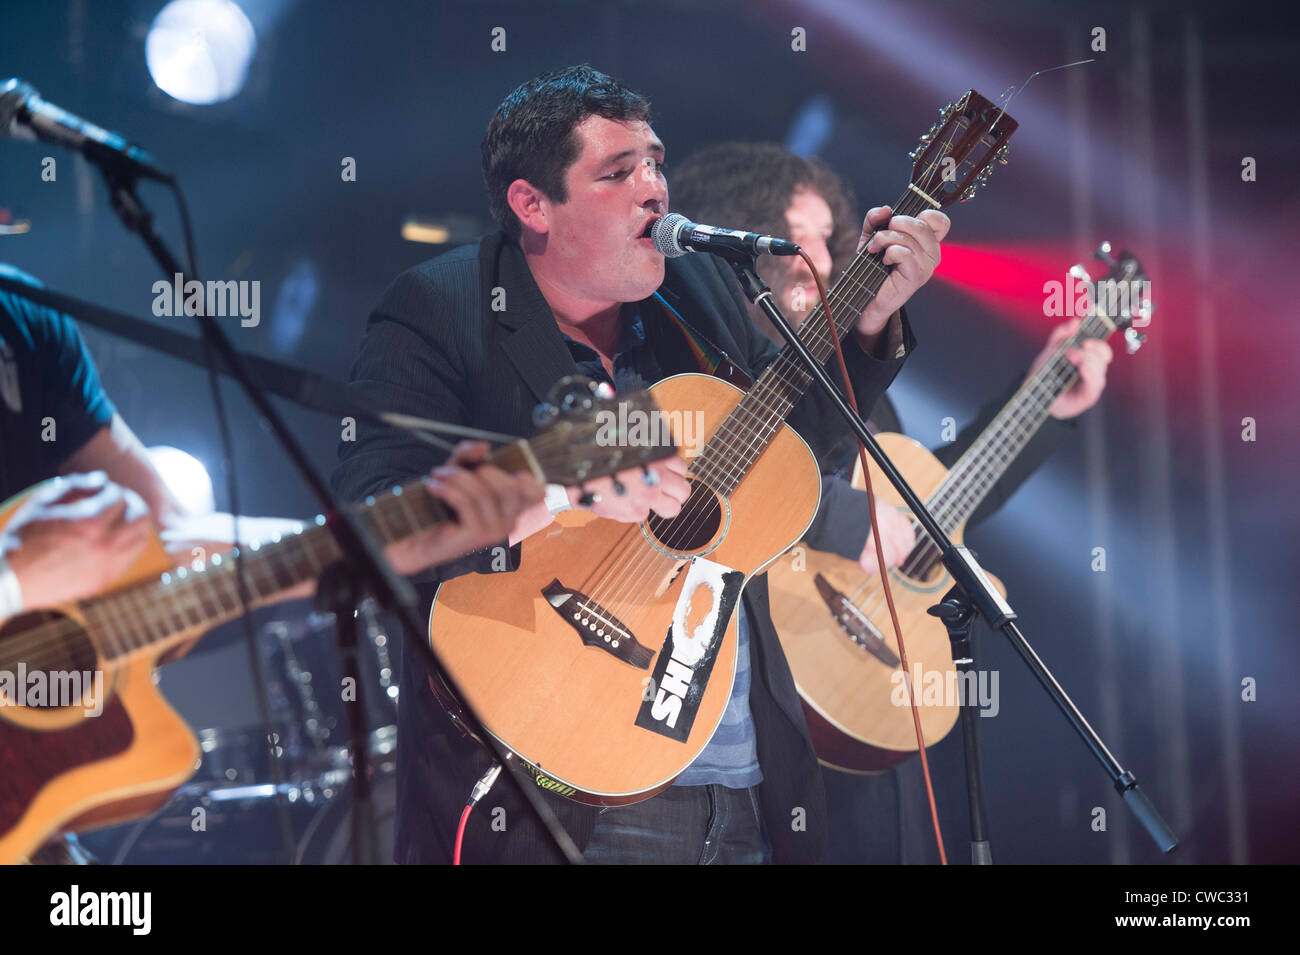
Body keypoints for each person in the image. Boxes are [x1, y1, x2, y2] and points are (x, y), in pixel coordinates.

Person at [332, 65, 951, 864]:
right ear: (532, 205)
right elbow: (372, 521)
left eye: (655, 162)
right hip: (552, 779)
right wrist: (555, 487)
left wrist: (868, 321)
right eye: (618, 172)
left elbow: (795, 455)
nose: (654, 188)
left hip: (742, 780)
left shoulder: (699, 289)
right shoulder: (441, 308)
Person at [0, 261, 543, 861]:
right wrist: (16, 580)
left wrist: (392, 542)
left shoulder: (19, 317)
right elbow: (33, 571)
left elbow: (165, 538)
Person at [670, 142, 1112, 862]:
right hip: (754, 696)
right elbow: (708, 483)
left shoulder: (861, 382)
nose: (823, 257)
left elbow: (928, 512)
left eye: (830, 238)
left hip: (864, 703)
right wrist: (849, 521)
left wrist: (1042, 405)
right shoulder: (702, 358)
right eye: (801, 235)